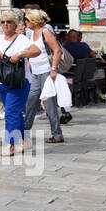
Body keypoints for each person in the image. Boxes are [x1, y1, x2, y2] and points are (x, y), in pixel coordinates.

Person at [0, 9, 37, 157]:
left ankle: (11, 145)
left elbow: (36, 51)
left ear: (15, 24)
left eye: (9, 22)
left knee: (11, 113)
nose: (6, 24)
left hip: (19, 82)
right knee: (14, 112)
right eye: (3, 22)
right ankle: (25, 141)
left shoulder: (22, 39)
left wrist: (20, 54)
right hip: (1, 81)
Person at [23, 8, 64, 144]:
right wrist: (29, 61)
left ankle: (57, 134)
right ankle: (24, 132)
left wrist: (53, 69)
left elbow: (57, 50)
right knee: (31, 101)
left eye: (27, 20)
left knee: (49, 104)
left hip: (46, 71)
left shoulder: (45, 32)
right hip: (35, 72)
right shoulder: (32, 33)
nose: (25, 22)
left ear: (35, 21)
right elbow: (32, 49)